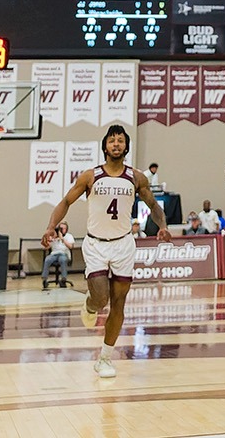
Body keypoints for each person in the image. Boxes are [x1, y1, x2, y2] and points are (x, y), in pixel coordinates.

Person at [44, 123, 173, 378]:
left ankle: (104, 358)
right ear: (105, 146)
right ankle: (90, 306)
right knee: (101, 298)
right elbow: (66, 201)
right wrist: (50, 226)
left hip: (124, 244)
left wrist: (163, 226)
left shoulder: (136, 178)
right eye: (112, 140)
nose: (116, 144)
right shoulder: (90, 176)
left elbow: (153, 205)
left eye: (121, 140)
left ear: (126, 147)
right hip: (96, 244)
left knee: (119, 302)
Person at [42, 222, 76, 289]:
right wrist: (50, 240)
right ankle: (44, 279)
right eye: (60, 228)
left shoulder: (69, 236)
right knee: (47, 259)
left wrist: (62, 239)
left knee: (62, 260)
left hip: (64, 254)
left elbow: (71, 246)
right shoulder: (54, 236)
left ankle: (63, 279)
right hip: (54, 254)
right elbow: (45, 248)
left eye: (63, 228)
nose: (61, 230)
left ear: (66, 229)